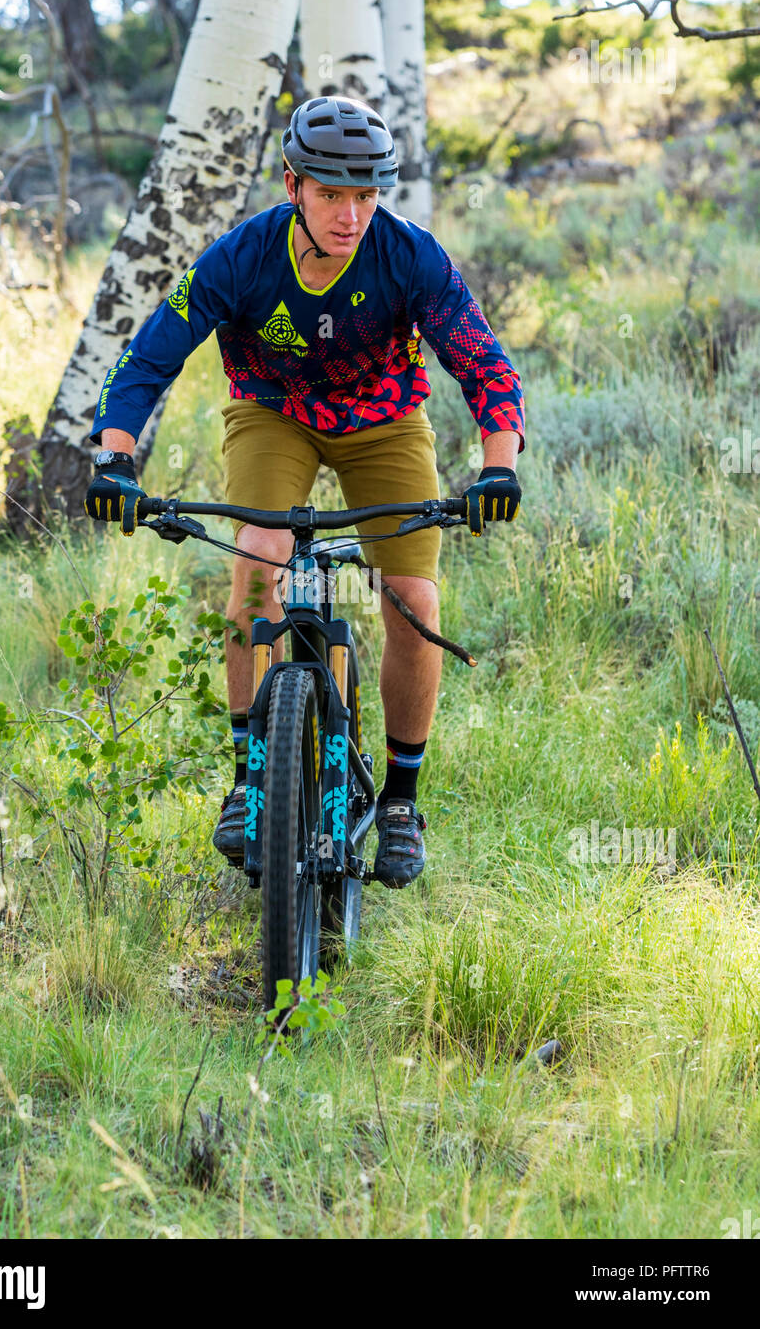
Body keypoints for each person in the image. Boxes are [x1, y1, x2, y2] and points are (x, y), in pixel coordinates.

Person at [84, 96, 524, 889]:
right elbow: (150, 354)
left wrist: (498, 465)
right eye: (331, 193)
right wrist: (115, 460)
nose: (350, 215)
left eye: (366, 195)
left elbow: (482, 362)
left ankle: (399, 799)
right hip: (273, 413)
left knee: (414, 598)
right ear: (293, 184)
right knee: (257, 563)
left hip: (385, 422)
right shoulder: (241, 257)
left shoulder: (411, 256)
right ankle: (252, 778)